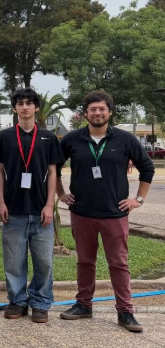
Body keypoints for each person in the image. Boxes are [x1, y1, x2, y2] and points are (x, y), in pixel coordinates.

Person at [57, 90, 154, 333]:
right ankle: (83, 305)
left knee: (118, 263)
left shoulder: (125, 139)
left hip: (115, 213)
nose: (97, 113)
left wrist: (138, 199)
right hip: (82, 212)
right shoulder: (71, 139)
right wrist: (60, 194)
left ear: (109, 112)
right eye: (92, 109)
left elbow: (147, 169)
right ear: (85, 114)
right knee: (85, 262)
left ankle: (125, 311)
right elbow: (53, 168)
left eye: (102, 109)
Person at [0, 88, 62, 324]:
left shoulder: (48, 138)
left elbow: (53, 173)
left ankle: (41, 303)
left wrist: (50, 205)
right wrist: (0, 201)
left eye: (29, 103)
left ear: (36, 108)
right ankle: (18, 301)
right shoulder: (5, 136)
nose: (25, 107)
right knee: (13, 262)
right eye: (20, 103)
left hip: (41, 210)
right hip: (13, 211)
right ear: (14, 109)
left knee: (44, 262)